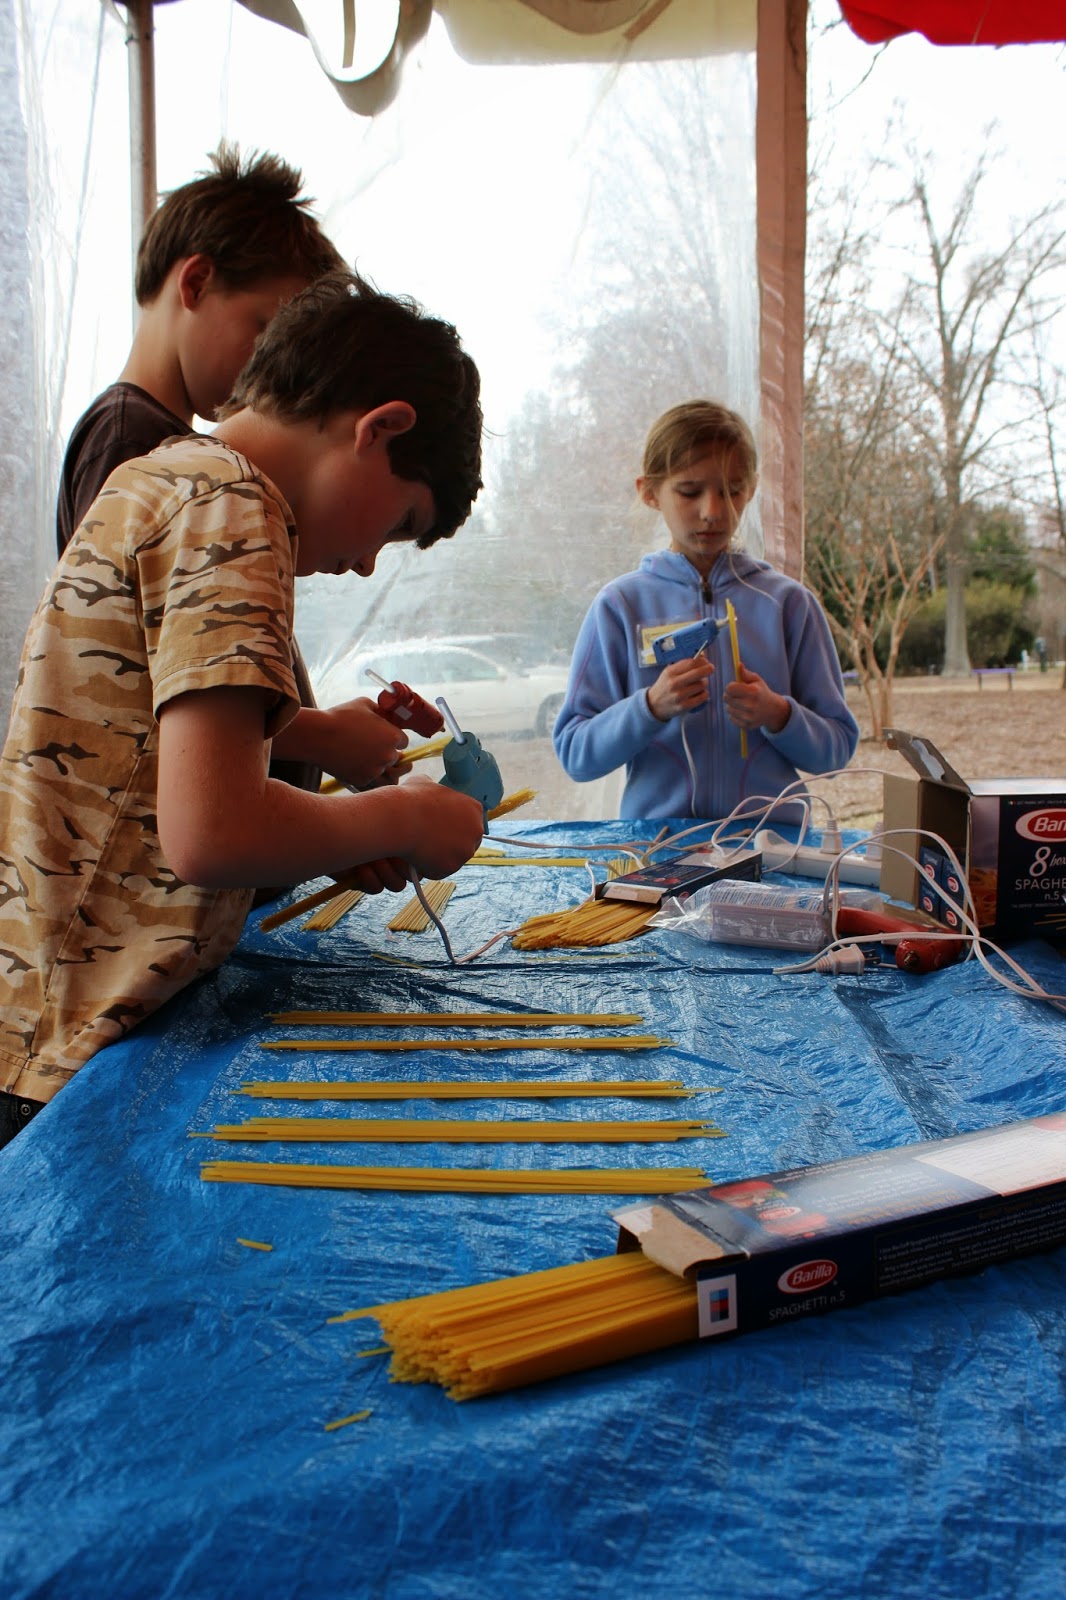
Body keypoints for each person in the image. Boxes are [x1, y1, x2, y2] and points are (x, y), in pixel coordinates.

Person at [0, 270, 485, 1147]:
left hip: (41, 1017)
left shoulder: (166, 477)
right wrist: (402, 816)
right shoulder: (239, 506)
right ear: (382, 427)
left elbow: (154, 767)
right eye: (398, 523)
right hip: (69, 1046)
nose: (371, 562)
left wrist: (349, 831)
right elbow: (213, 832)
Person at [54, 143, 399, 798]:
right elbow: (144, 679)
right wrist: (322, 737)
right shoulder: (136, 445)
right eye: (268, 333)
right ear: (196, 284)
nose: (279, 370)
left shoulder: (180, 452)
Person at [553, 400, 859, 822]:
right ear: (649, 491)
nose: (713, 511)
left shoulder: (789, 604)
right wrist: (650, 706)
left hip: (774, 847)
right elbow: (575, 753)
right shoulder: (620, 607)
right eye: (690, 491)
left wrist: (778, 714)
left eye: (732, 490)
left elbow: (837, 749)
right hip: (660, 849)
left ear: (750, 488)